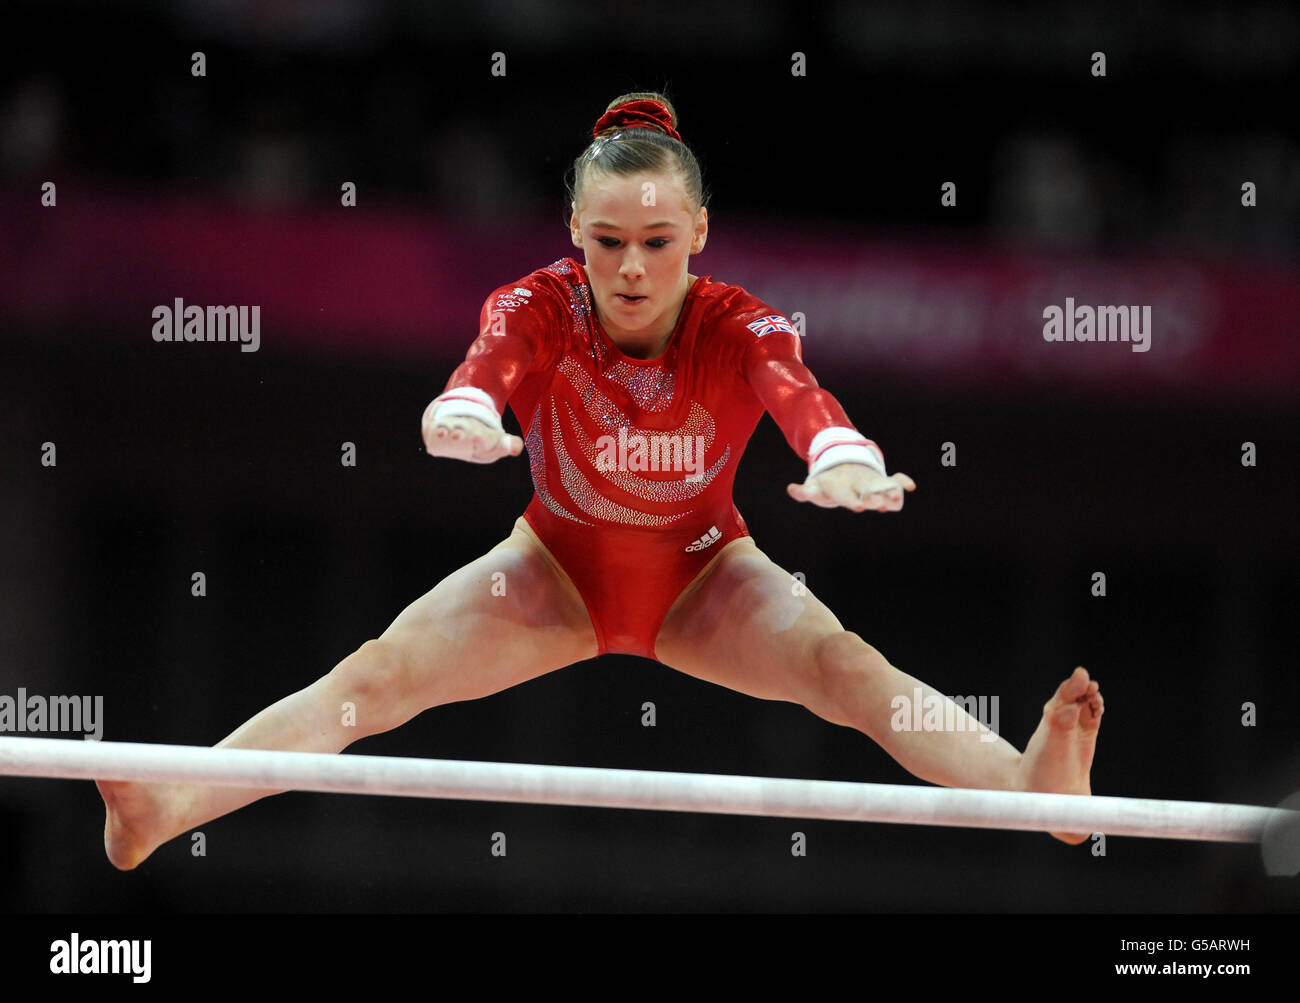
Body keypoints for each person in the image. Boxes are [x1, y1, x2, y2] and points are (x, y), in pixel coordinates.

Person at [99, 92, 1103, 870]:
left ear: (699, 232)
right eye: (607, 240)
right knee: (375, 679)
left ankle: (1031, 787)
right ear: (574, 227)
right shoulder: (538, 303)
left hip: (708, 572)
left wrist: (843, 459)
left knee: (848, 673)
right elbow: (485, 365)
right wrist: (462, 412)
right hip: (550, 566)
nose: (630, 267)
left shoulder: (738, 322)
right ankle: (169, 805)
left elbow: (800, 397)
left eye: (657, 243)